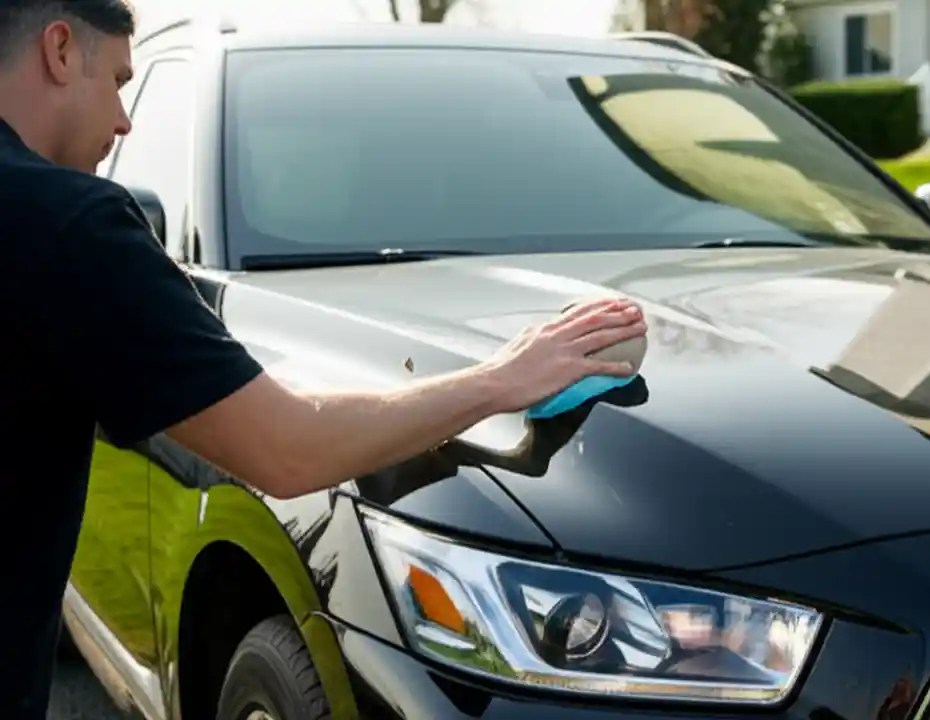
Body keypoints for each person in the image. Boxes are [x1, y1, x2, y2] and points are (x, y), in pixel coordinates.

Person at [0, 1, 647, 716]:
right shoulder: (69, 226)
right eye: (119, 81)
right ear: (60, 50)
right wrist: (500, 380)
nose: (124, 119)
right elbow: (287, 450)